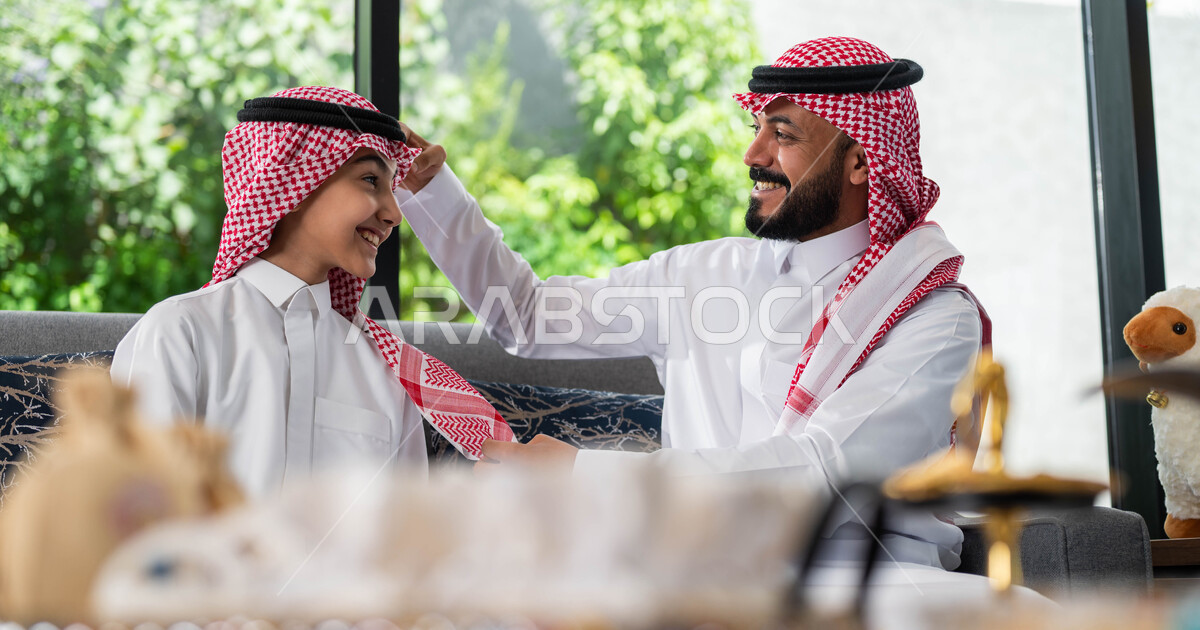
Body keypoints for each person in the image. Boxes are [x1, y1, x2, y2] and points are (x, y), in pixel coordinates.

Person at [396, 37, 987, 571]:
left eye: (783, 135)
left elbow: (824, 478)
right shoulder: (703, 273)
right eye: (757, 129)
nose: (753, 154)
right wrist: (433, 196)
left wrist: (584, 474)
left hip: (862, 585)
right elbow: (526, 317)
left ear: (861, 160)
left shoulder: (934, 317)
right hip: (690, 576)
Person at [111, 86, 513, 500]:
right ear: (292, 180)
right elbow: (137, 522)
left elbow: (403, 547)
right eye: (371, 180)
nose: (394, 214)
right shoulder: (180, 333)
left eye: (393, 188)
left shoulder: (388, 372)